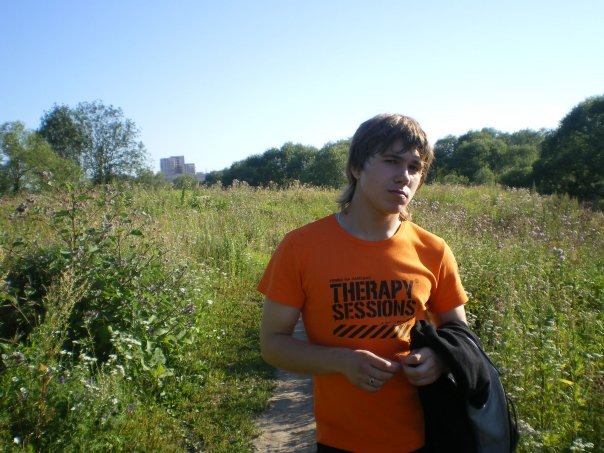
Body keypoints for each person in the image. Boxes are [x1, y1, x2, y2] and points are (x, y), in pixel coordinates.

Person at [258, 113, 469, 452]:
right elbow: (272, 344)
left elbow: (460, 335)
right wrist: (341, 362)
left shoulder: (433, 250)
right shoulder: (300, 247)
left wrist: (440, 358)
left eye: (415, 167)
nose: (404, 176)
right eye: (391, 161)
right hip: (340, 441)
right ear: (356, 167)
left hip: (426, 436)